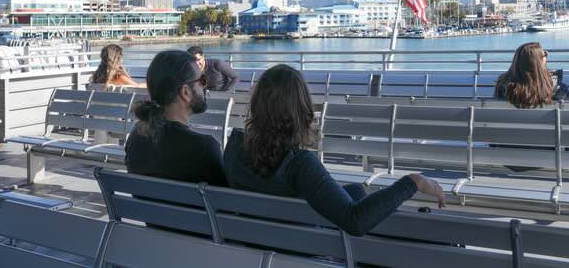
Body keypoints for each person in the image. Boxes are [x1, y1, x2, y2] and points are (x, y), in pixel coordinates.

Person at [223, 64, 445, 237]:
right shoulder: (299, 164)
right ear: (300, 109)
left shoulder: (234, 148)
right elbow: (355, 221)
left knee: (356, 191)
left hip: (260, 240)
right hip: (302, 249)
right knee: (362, 207)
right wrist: (413, 182)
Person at [125, 49, 226, 185]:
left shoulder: (136, 137)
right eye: (202, 80)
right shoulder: (204, 148)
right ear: (185, 92)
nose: (205, 86)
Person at [494, 42, 569, 108]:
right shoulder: (557, 87)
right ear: (539, 62)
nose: (546, 56)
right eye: (545, 54)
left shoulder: (502, 85)